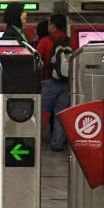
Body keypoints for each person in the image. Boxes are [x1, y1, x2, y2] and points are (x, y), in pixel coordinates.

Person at [36, 12, 74, 153]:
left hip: (49, 82)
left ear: (52, 25)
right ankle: (57, 143)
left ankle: (34, 139)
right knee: (60, 114)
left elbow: (37, 59)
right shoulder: (70, 41)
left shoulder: (45, 41)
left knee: (41, 112)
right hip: (66, 83)